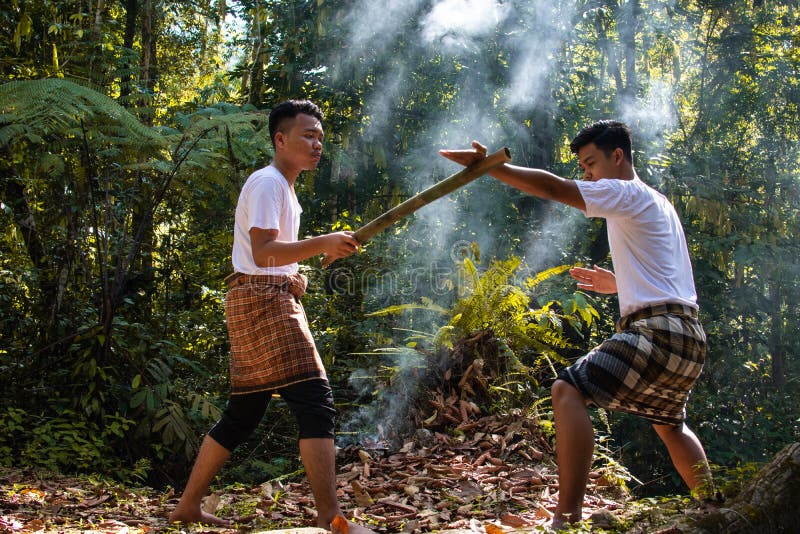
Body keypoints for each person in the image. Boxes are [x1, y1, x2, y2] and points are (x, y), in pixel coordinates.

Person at [439, 120, 713, 528]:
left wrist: (489, 167)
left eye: (590, 164)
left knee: (567, 389)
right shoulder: (659, 203)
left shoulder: (626, 192)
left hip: (658, 332)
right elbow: (671, 279)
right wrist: (619, 285)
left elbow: (552, 187)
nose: (586, 175)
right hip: (689, 337)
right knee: (670, 424)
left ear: (617, 156)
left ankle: (567, 518)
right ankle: (714, 503)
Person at [170, 99, 373, 533]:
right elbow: (262, 254)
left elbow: (274, 253)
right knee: (315, 402)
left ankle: (186, 507)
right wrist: (323, 243)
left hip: (262, 296)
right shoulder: (268, 183)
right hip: (264, 299)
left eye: (320, 136)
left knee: (244, 413)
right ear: (280, 140)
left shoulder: (285, 187)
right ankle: (331, 519)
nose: (317, 144)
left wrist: (319, 252)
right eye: (307, 135)